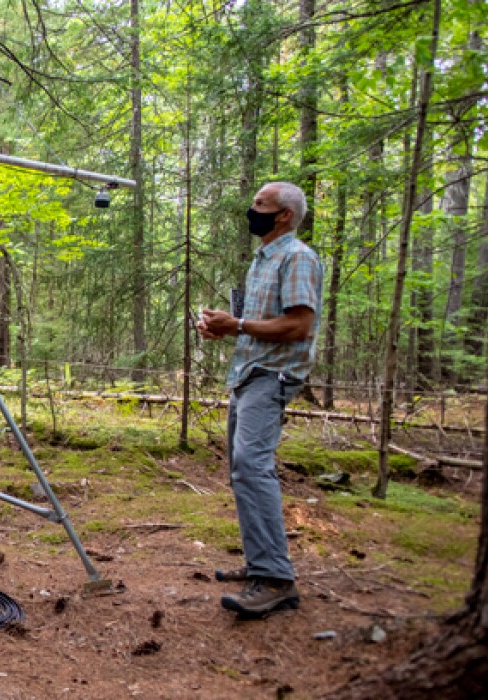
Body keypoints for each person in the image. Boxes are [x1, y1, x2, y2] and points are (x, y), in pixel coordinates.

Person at [196, 181, 323, 618]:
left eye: (260, 205)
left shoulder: (298, 258)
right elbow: (255, 323)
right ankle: (261, 564)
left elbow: (299, 325)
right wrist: (223, 326)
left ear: (284, 214)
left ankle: (275, 580)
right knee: (242, 470)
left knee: (252, 466)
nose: (252, 211)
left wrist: (240, 325)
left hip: (275, 376)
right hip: (249, 373)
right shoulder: (262, 260)